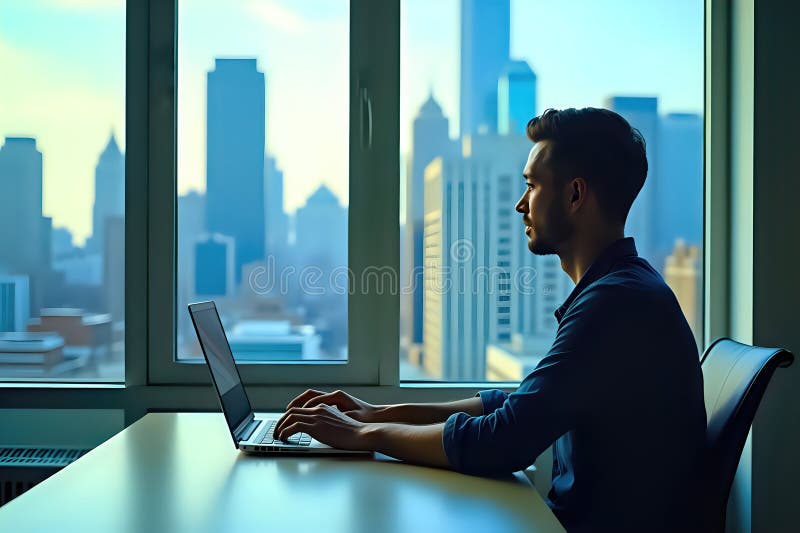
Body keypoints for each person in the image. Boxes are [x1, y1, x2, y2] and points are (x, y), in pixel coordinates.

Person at [272, 108, 707, 531]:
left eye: (532, 186)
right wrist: (374, 414)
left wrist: (367, 436)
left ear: (575, 195)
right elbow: (517, 405)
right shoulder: (620, 290)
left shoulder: (615, 304)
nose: (520, 204)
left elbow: (504, 440)